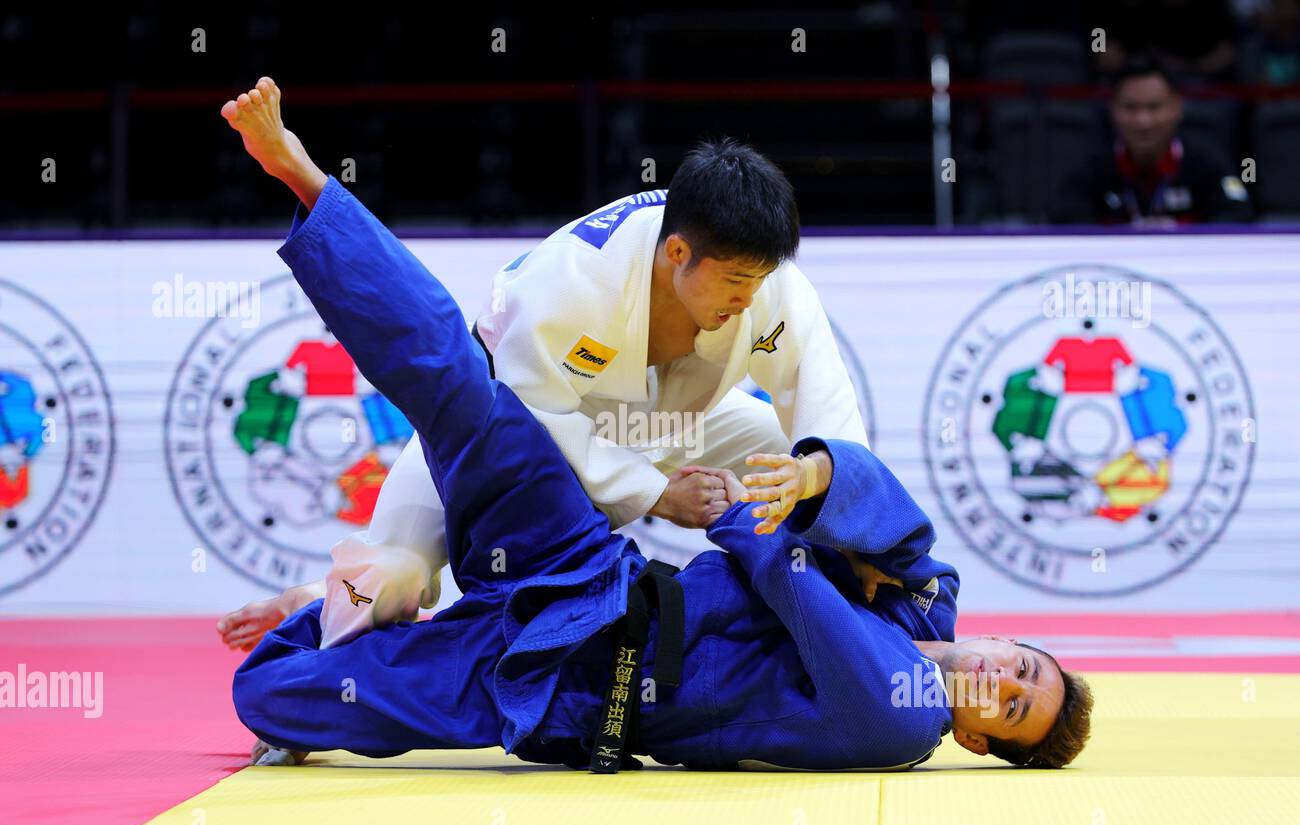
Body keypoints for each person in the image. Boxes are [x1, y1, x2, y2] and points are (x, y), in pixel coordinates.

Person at [222, 79, 1093, 772]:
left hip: (585, 660)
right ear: (680, 254)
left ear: (979, 741)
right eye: (1021, 665)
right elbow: (895, 526)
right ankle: (312, 187)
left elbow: (826, 450)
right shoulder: (564, 286)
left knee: (278, 700)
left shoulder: (905, 714)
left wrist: (809, 486)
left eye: (1010, 702)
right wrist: (775, 498)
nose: (998, 677)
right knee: (423, 489)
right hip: (559, 473)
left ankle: (324, 619)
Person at [219, 98, 867, 654]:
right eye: (734, 283)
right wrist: (656, 494)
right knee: (395, 576)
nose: (749, 301)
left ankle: (844, 626)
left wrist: (853, 518)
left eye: (758, 283)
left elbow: (825, 410)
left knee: (803, 465)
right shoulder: (573, 281)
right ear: (678, 255)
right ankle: (310, 631)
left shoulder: (766, 283)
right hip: (509, 442)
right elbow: (530, 416)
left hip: (669, 427)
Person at [1050, 57, 1254, 225]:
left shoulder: (1209, 164)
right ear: (1112, 110)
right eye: (1131, 108)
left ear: (1177, 107)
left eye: (1154, 107)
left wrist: (1180, 235)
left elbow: (1239, 216)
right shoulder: (1089, 170)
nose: (1143, 121)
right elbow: (1066, 222)